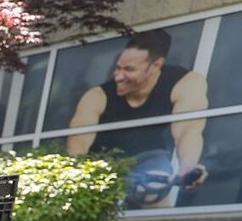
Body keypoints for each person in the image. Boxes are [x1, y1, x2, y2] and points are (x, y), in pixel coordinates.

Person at [66, 29, 209, 209]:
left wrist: (188, 167)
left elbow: (188, 130)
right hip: (103, 161)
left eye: (129, 69)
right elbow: (78, 142)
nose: (118, 76)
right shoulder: (96, 96)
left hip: (148, 158)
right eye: (118, 68)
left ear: (156, 65)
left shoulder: (185, 82)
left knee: (155, 192)